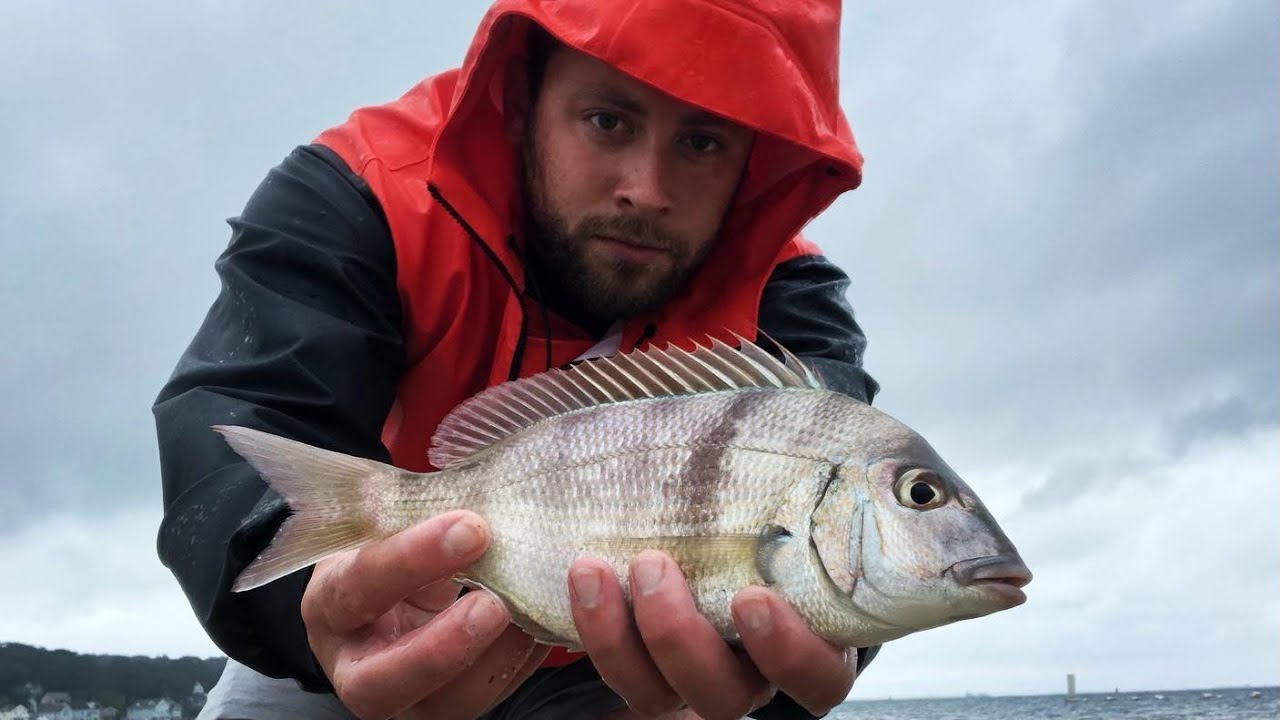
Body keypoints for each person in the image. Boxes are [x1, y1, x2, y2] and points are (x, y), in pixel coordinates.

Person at [154, 1, 883, 718]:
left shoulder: (792, 302)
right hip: (355, 638)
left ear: (757, 158)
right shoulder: (356, 195)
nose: (646, 190)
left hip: (622, 677)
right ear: (519, 100)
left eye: (702, 142)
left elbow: (856, 534)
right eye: (608, 120)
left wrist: (768, 671)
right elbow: (250, 416)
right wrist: (323, 608)